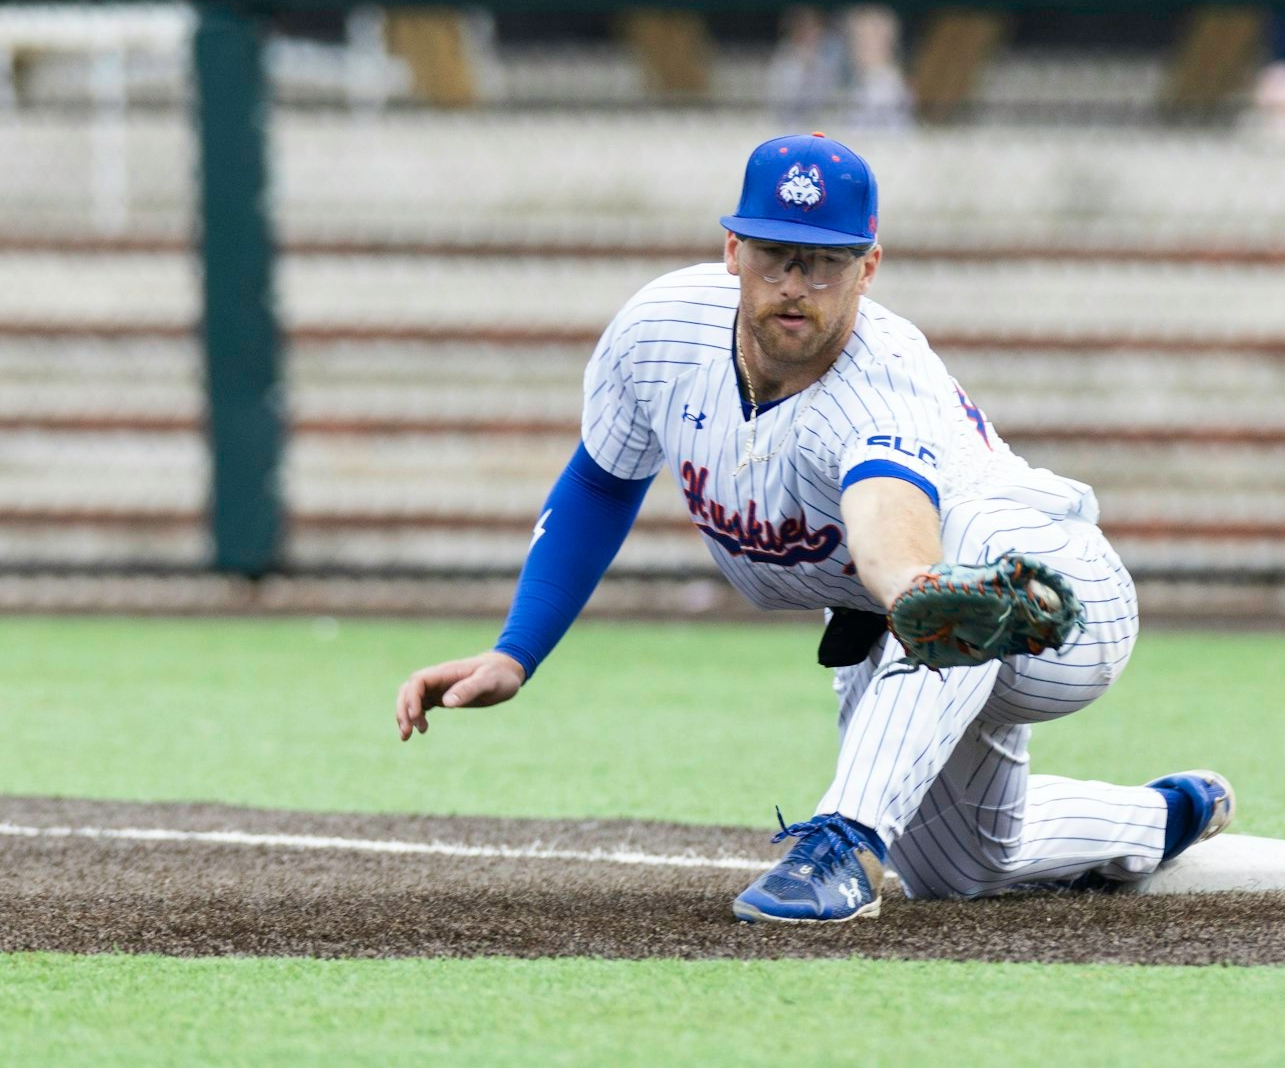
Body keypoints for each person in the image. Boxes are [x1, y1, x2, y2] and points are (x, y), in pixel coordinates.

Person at [393, 133, 1235, 923]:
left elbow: (890, 524)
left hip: (1057, 596)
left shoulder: (883, 383)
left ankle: (845, 844)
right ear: (733, 252)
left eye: (825, 263)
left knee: (950, 580)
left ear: (868, 268)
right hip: (922, 630)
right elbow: (601, 483)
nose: (795, 283)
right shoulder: (658, 332)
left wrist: (917, 591)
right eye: (774, 255)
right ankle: (1162, 817)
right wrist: (516, 649)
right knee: (964, 864)